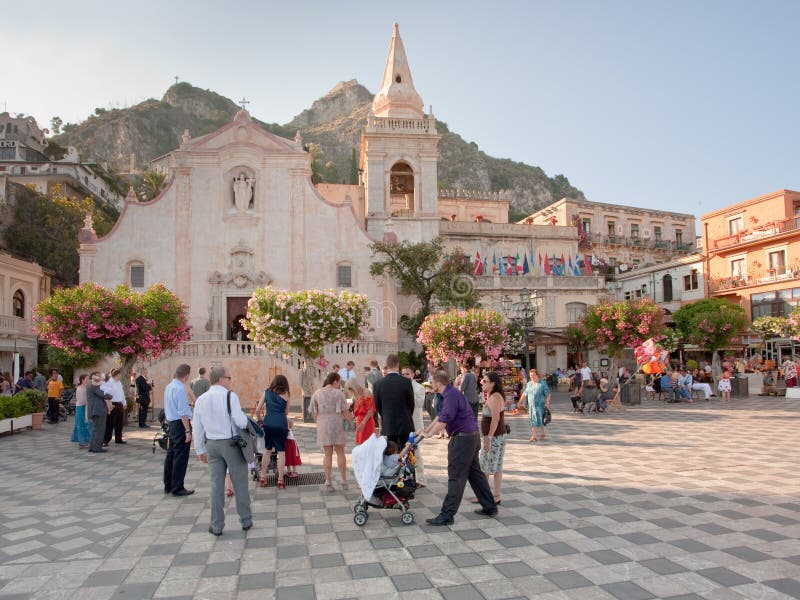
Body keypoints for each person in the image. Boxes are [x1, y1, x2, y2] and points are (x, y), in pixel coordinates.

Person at [422, 370, 497, 526]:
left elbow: (444, 421)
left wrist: (428, 435)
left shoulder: (450, 396)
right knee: (475, 474)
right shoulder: (451, 394)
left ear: (437, 384)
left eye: (432, 383)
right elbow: (440, 417)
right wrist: (426, 430)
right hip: (471, 437)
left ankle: (447, 515)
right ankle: (490, 507)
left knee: (456, 477)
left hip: (463, 440)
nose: (430, 386)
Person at [193, 366, 253, 535]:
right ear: (221, 379)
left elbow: (197, 426)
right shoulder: (230, 396)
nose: (230, 380)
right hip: (230, 443)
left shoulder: (201, 399)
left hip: (211, 444)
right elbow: (240, 421)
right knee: (240, 483)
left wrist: (199, 449)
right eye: (229, 377)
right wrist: (247, 421)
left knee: (216, 485)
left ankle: (217, 525)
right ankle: (246, 520)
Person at [309, 372, 354, 491]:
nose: (339, 384)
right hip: (337, 423)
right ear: (335, 381)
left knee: (327, 454)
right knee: (340, 452)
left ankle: (328, 481)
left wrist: (319, 421)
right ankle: (344, 481)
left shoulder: (317, 393)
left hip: (323, 424)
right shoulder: (338, 393)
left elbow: (313, 412)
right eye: (339, 382)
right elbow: (345, 411)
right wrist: (351, 423)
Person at [253, 375, 290, 488]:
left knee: (267, 450)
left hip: (268, 423)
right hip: (281, 423)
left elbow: (258, 410)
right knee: (281, 452)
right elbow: (286, 412)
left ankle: (263, 477)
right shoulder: (287, 393)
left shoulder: (267, 392)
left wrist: (260, 421)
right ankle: (280, 480)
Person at [163, 364, 194, 497]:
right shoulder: (180, 388)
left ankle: (168, 484)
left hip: (171, 422)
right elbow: (182, 412)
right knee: (181, 456)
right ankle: (177, 486)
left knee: (171, 454)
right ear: (186, 375)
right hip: (180, 424)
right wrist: (187, 430)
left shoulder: (169, 386)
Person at [476, 371, 506, 505]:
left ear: (493, 383)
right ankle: (496, 495)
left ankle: (485, 496)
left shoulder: (494, 398)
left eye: (485, 381)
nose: (482, 382)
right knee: (496, 466)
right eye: (482, 380)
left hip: (494, 436)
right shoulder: (493, 395)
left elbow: (495, 419)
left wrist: (488, 438)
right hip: (498, 435)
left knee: (485, 467)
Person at [373, 354, 414, 447]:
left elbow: (378, 406)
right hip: (405, 423)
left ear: (387, 365)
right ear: (398, 365)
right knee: (407, 455)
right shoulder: (406, 382)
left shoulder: (378, 384)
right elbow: (411, 404)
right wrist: (406, 415)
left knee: (390, 456)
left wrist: (386, 416)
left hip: (388, 423)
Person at [401, 365, 426, 484]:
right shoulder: (399, 387)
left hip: (415, 426)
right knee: (404, 450)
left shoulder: (419, 388)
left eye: (407, 374)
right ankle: (406, 478)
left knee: (415, 450)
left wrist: (408, 393)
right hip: (403, 424)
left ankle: (420, 479)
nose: (405, 376)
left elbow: (420, 403)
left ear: (412, 375)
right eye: (403, 374)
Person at [345, 379, 377, 445]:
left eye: (350, 388)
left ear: (354, 386)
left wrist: (363, 423)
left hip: (367, 421)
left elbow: (370, 411)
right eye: (349, 389)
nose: (350, 391)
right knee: (361, 444)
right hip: (359, 422)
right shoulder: (355, 395)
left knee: (368, 443)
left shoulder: (366, 392)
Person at [522, 369, 550, 442]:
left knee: (540, 420)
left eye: (533, 375)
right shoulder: (529, 384)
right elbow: (525, 393)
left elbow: (548, 394)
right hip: (531, 406)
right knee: (532, 420)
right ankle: (534, 436)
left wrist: (547, 404)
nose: (532, 377)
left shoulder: (542, 383)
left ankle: (543, 433)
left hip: (540, 406)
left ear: (537, 375)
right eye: (531, 375)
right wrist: (519, 402)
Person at [86, 372, 111, 453]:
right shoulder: (94, 387)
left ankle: (92, 446)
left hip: (95, 411)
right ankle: (97, 447)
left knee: (95, 429)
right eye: (99, 376)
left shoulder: (91, 386)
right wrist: (110, 395)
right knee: (100, 430)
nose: (100, 377)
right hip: (98, 411)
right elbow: (107, 396)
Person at [101, 369, 127, 444]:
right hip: (112, 404)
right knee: (110, 423)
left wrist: (124, 402)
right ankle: (106, 440)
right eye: (120, 375)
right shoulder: (109, 381)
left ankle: (118, 439)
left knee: (119, 423)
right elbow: (104, 391)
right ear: (117, 374)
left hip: (119, 404)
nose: (120, 376)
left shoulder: (119, 383)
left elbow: (122, 393)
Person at [70, 374, 91, 449]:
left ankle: (86, 441)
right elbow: (81, 400)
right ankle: (82, 442)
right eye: (87, 379)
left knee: (85, 424)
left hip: (84, 407)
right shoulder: (80, 388)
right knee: (81, 424)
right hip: (81, 408)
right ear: (82, 380)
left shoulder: (85, 387)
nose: (88, 380)